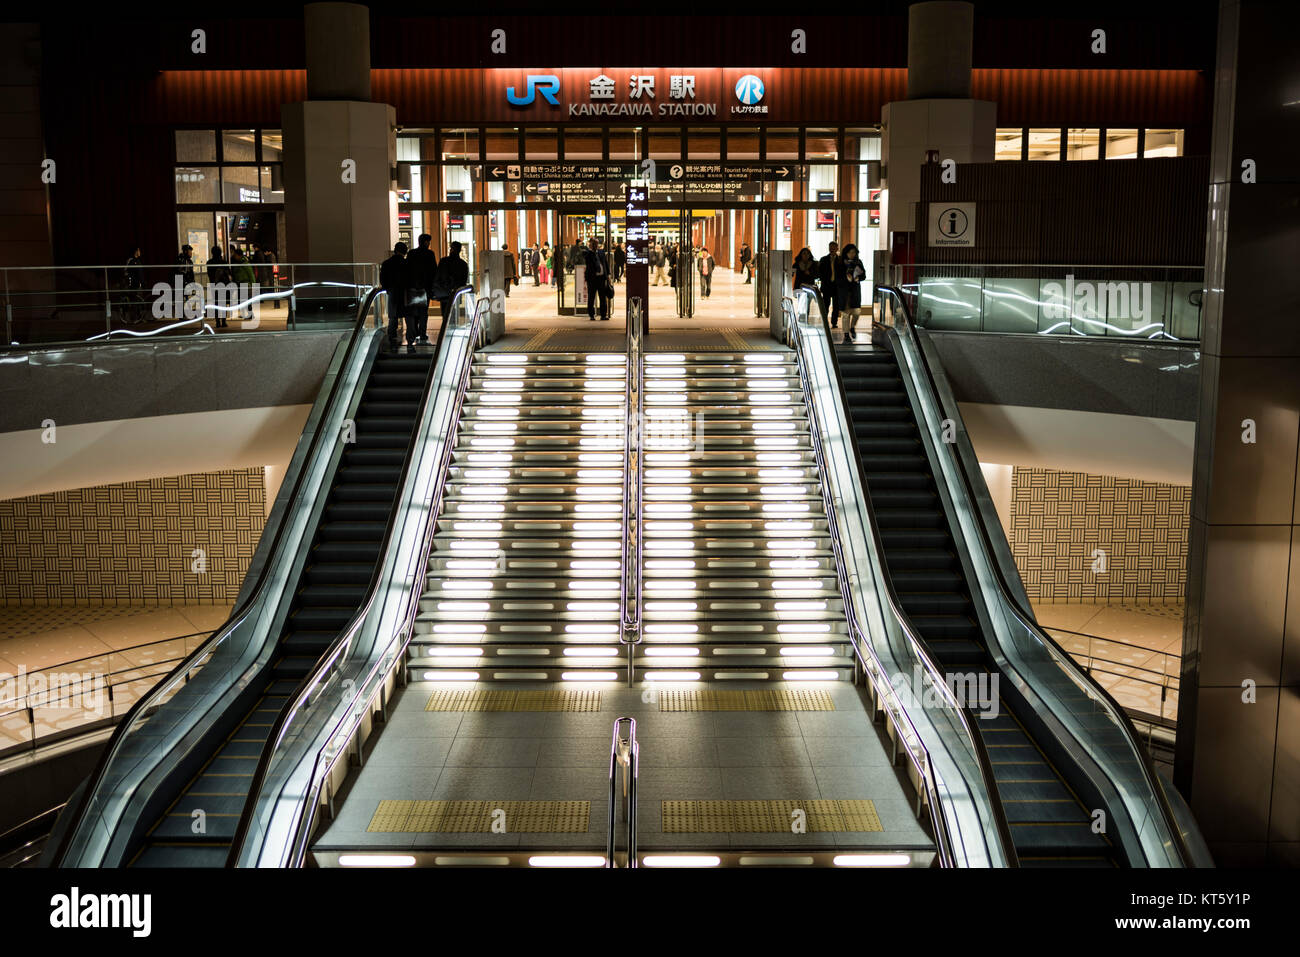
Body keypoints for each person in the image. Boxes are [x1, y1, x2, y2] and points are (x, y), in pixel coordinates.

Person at [405, 233, 438, 344]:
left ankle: (414, 332)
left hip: (412, 287)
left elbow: (407, 269)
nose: (429, 244)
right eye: (428, 242)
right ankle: (422, 333)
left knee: (413, 311)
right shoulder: (429, 254)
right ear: (425, 242)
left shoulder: (411, 253)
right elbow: (434, 271)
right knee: (423, 311)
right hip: (425, 288)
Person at [433, 240, 469, 328]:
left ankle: (445, 330)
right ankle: (452, 328)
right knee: (454, 312)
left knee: (445, 313)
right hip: (456, 293)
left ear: (451, 249)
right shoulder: (463, 264)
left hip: (444, 292)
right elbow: (464, 281)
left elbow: (437, 276)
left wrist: (437, 288)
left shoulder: (444, 261)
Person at [380, 241, 409, 349]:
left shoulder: (387, 263)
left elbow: (383, 279)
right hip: (405, 292)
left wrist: (387, 288)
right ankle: (410, 337)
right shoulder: (407, 263)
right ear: (405, 252)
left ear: (395, 250)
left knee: (393, 316)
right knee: (407, 314)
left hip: (392, 292)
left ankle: (392, 337)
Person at [838, 243, 868, 342]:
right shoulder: (840, 263)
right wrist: (846, 278)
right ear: (846, 253)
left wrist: (858, 278)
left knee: (857, 312)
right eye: (850, 252)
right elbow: (837, 278)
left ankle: (852, 327)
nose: (852, 254)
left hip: (855, 291)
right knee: (845, 314)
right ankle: (846, 334)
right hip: (844, 291)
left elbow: (863, 275)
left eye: (854, 252)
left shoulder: (858, 262)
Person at [581, 237, 611, 321]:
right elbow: (587, 260)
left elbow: (605, 264)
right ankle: (591, 315)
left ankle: (603, 315)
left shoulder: (601, 252)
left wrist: (608, 275)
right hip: (592, 279)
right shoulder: (588, 254)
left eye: (596, 244)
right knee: (591, 297)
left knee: (602, 297)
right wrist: (591, 251)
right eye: (593, 244)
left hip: (601, 278)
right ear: (590, 245)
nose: (595, 245)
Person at [818, 241, 843, 328]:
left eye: (834, 247)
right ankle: (824, 322)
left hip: (837, 287)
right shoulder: (823, 259)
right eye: (830, 247)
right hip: (827, 286)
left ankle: (834, 322)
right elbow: (819, 272)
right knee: (825, 305)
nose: (832, 249)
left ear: (837, 248)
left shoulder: (840, 260)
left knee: (836, 306)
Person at [207, 245, 229, 327]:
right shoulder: (223, 262)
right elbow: (228, 273)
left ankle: (217, 322)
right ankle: (224, 321)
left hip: (213, 285)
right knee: (223, 303)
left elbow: (209, 274)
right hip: (223, 285)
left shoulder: (209, 262)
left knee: (215, 303)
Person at [124, 246, 144, 324]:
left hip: (139, 284)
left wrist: (142, 282)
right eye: (139, 250)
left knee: (139, 301)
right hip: (133, 284)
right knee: (134, 301)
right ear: (136, 251)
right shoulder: (131, 260)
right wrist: (132, 281)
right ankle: (134, 319)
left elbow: (140, 274)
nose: (140, 252)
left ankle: (139, 318)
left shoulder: (138, 261)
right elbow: (127, 272)